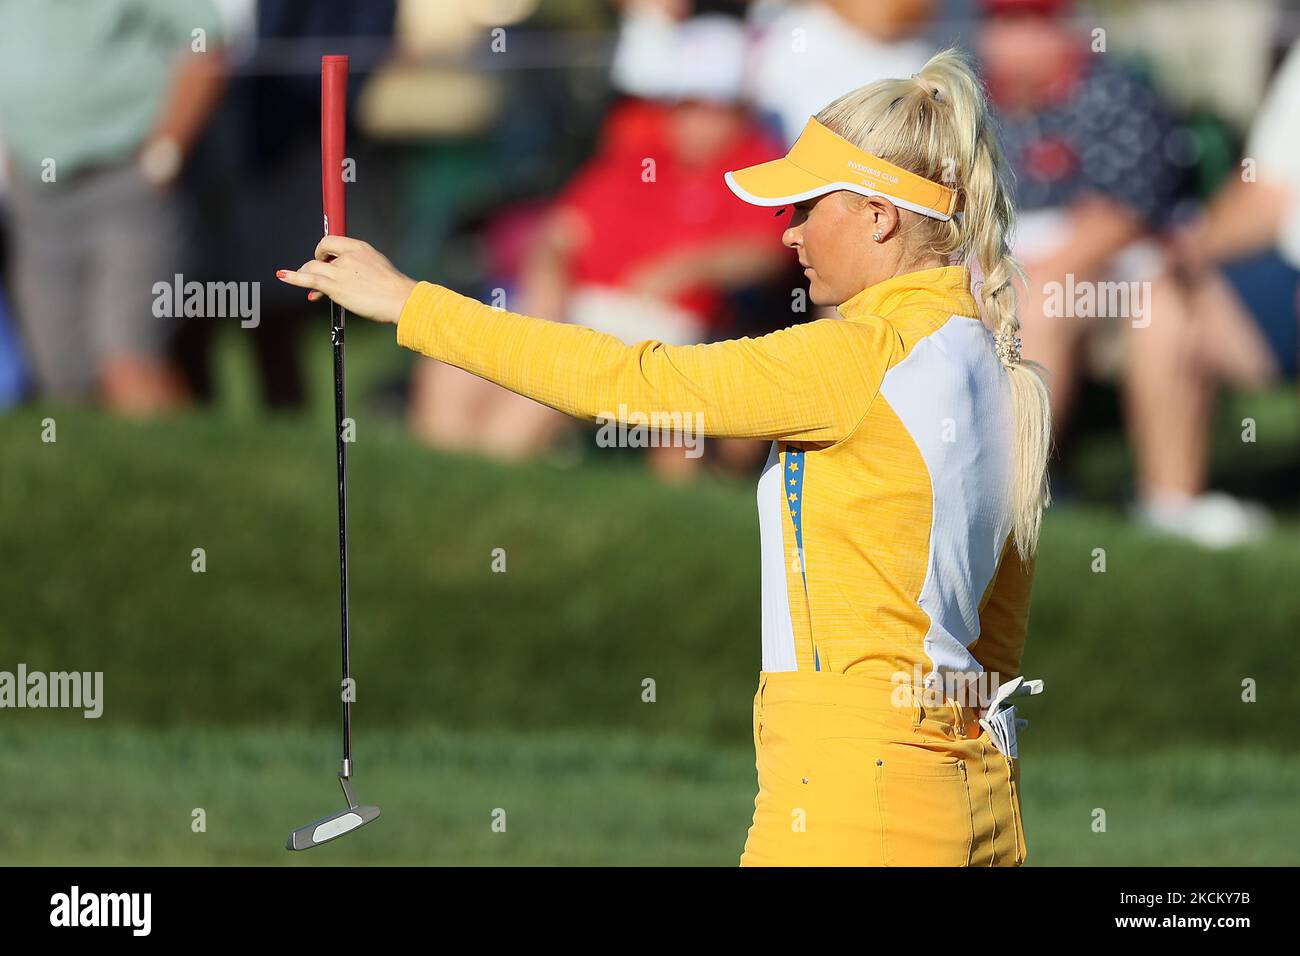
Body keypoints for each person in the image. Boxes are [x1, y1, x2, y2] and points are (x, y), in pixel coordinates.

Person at [278, 48, 1051, 866]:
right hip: (979, 797)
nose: (787, 232)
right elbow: (995, 641)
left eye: (806, 206)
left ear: (878, 215)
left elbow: (628, 381)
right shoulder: (997, 362)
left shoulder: (856, 357)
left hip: (859, 799)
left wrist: (409, 303)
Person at [0, 0, 227, 413]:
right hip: (35, 192)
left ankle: (181, 474)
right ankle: (89, 475)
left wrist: (165, 153)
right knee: (61, 373)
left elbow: (206, 42)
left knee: (129, 359)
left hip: (129, 182)